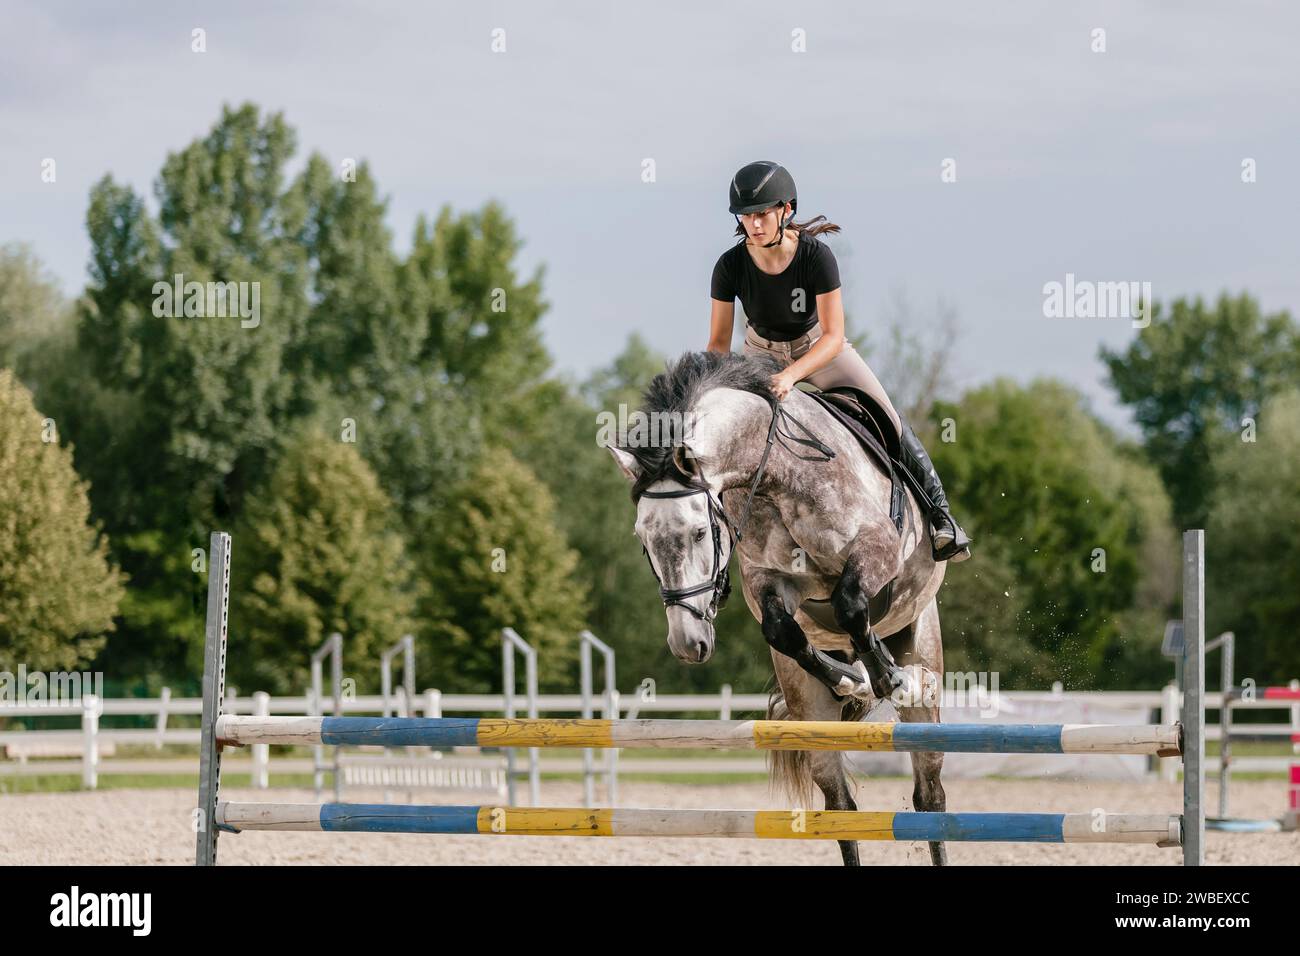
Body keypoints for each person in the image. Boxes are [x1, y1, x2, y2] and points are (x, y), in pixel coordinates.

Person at [707, 160, 971, 562]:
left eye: (762, 213)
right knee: (729, 434)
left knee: (887, 415)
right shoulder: (729, 266)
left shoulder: (816, 257)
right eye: (745, 216)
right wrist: (713, 391)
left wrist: (792, 375)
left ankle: (941, 517)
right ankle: (716, 548)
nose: (754, 224)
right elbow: (718, 342)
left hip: (818, 350)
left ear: (786, 210)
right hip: (759, 354)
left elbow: (832, 336)